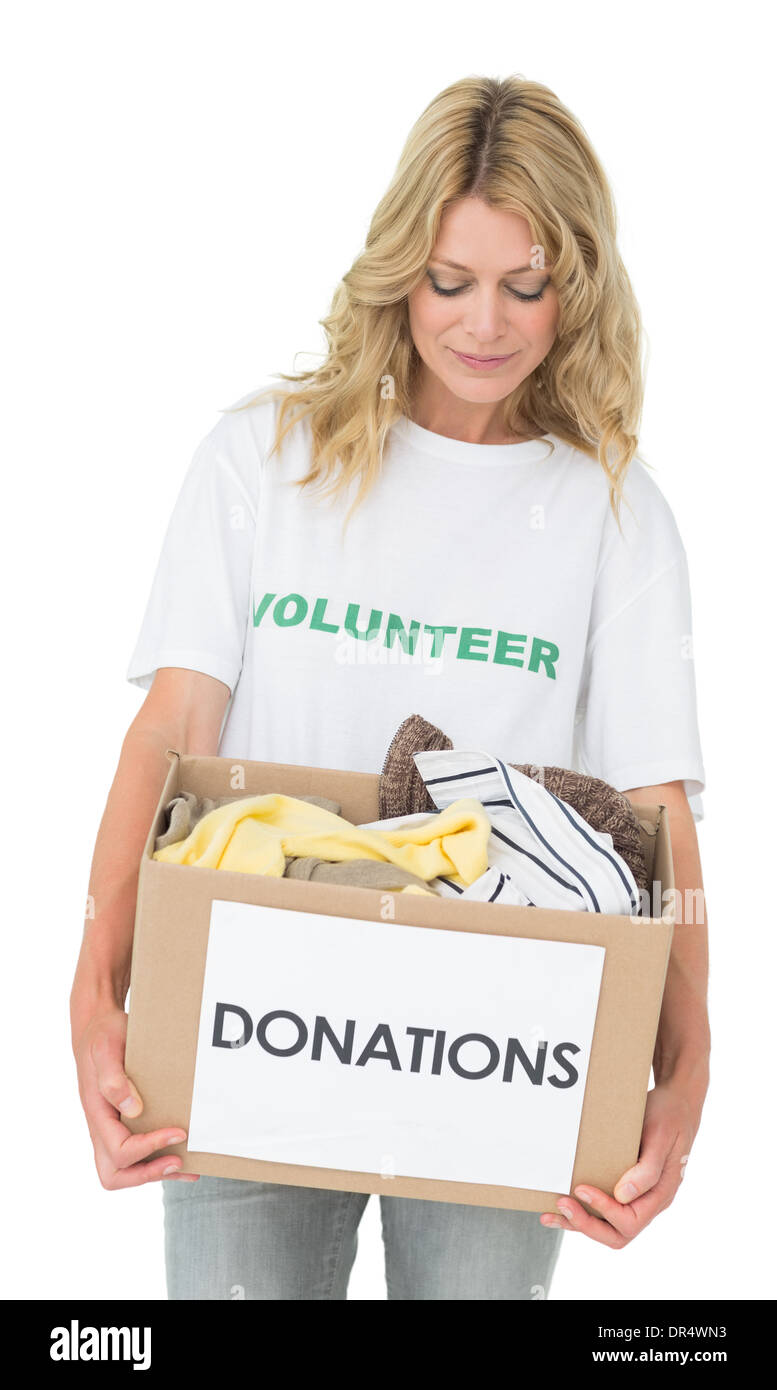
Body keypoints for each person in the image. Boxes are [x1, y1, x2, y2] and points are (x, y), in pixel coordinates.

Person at [70, 73, 710, 1301]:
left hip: (501, 1045)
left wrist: (688, 1064)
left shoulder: (614, 513)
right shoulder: (265, 459)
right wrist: (93, 996)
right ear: (397, 269)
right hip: (248, 1015)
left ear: (578, 285)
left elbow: (660, 811)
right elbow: (171, 731)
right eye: (449, 280)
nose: (485, 323)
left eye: (527, 286)